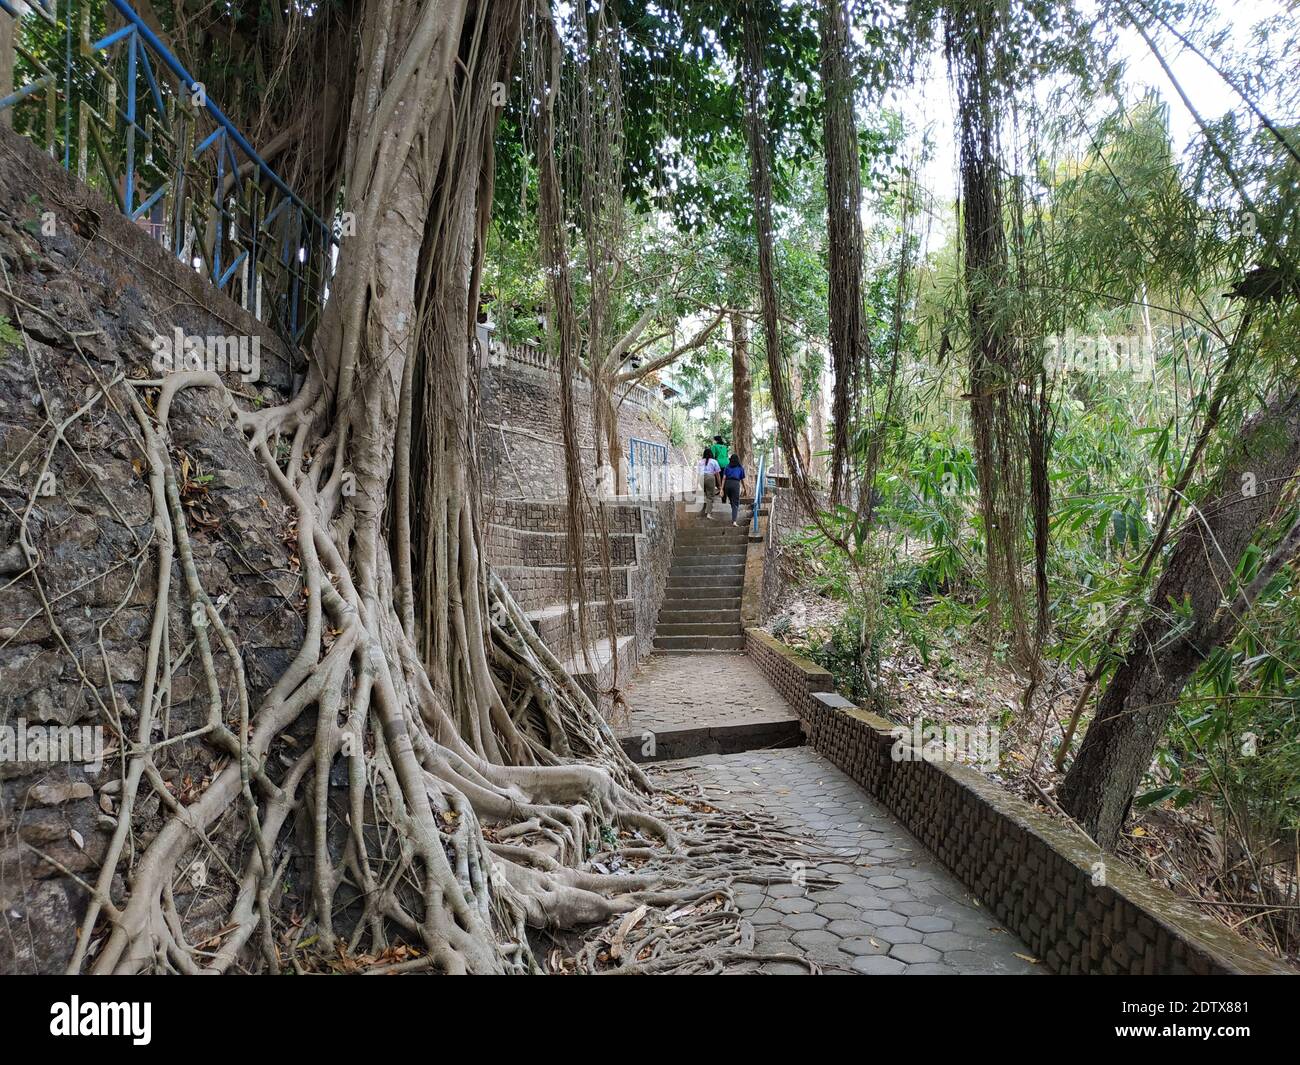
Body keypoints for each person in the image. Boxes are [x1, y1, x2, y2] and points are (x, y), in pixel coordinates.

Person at [721, 453, 746, 526]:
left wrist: (722, 489)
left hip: (727, 485)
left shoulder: (727, 467)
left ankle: (733, 515)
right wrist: (744, 488)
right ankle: (734, 521)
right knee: (735, 503)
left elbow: (724, 478)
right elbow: (742, 479)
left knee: (732, 501)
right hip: (735, 484)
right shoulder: (740, 468)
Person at [697, 446, 722, 519]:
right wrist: (719, 485)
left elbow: (698, 474)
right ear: (711, 454)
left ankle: (701, 512)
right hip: (710, 478)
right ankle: (708, 514)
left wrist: (697, 484)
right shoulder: (714, 461)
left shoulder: (700, 462)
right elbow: (717, 474)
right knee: (710, 496)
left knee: (704, 494)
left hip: (701, 478)